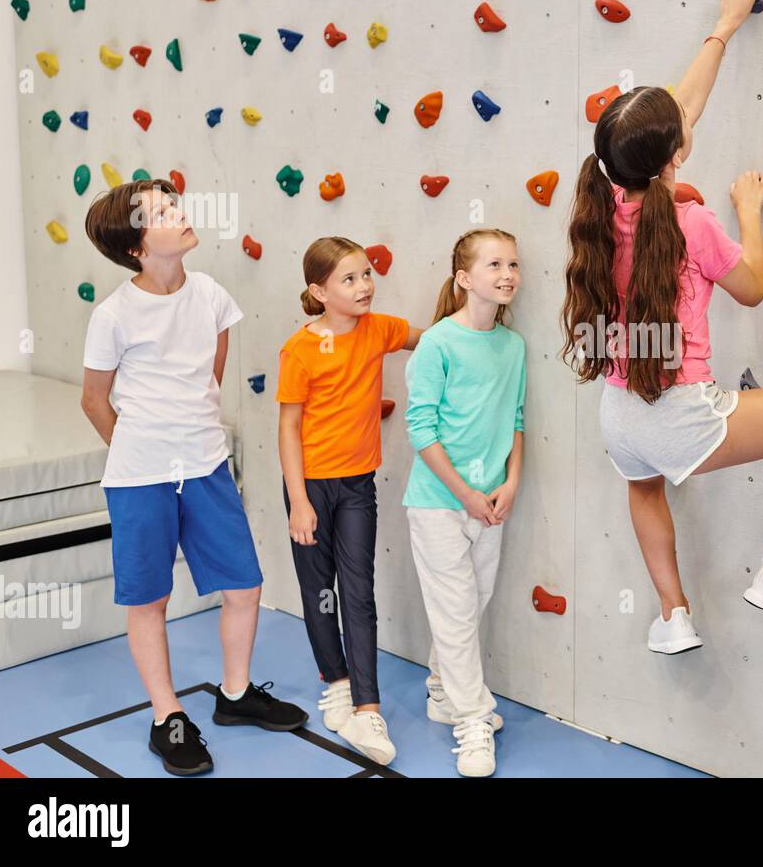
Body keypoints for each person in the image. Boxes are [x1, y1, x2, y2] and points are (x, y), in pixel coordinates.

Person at [561, 0, 763, 656]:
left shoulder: (599, 204)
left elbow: (677, 110)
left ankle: (674, 615)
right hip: (682, 417)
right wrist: (750, 215)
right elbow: (751, 288)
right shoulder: (692, 222)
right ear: (677, 158)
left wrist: (724, 27)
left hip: (619, 416)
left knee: (643, 492)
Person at [81, 179, 307, 776]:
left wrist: (186, 441)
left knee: (244, 585)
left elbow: (210, 377)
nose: (179, 214)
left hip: (207, 466)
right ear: (136, 247)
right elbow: (95, 400)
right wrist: (140, 450)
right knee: (149, 600)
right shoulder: (112, 316)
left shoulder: (211, 294)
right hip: (140, 478)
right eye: (160, 213)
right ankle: (167, 717)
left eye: (172, 204)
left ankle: (235, 696)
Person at [277, 236, 424, 766]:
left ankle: (368, 707)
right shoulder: (299, 350)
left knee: (358, 591)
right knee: (320, 591)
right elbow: (288, 427)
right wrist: (298, 500)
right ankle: (336, 680)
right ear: (319, 292)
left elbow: (430, 339)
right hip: (310, 486)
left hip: (358, 484)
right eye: (350, 279)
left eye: (366, 275)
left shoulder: (379, 329)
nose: (364, 286)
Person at [404, 229, 526, 777]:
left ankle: (440, 690)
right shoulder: (437, 343)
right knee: (455, 608)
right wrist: (465, 495)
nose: (507, 274)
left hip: (492, 502)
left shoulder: (513, 345)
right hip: (438, 502)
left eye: (514, 265)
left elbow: (516, 419)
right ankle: (473, 720)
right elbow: (420, 429)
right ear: (463, 278)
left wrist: (511, 480)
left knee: (471, 603)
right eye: (495, 263)